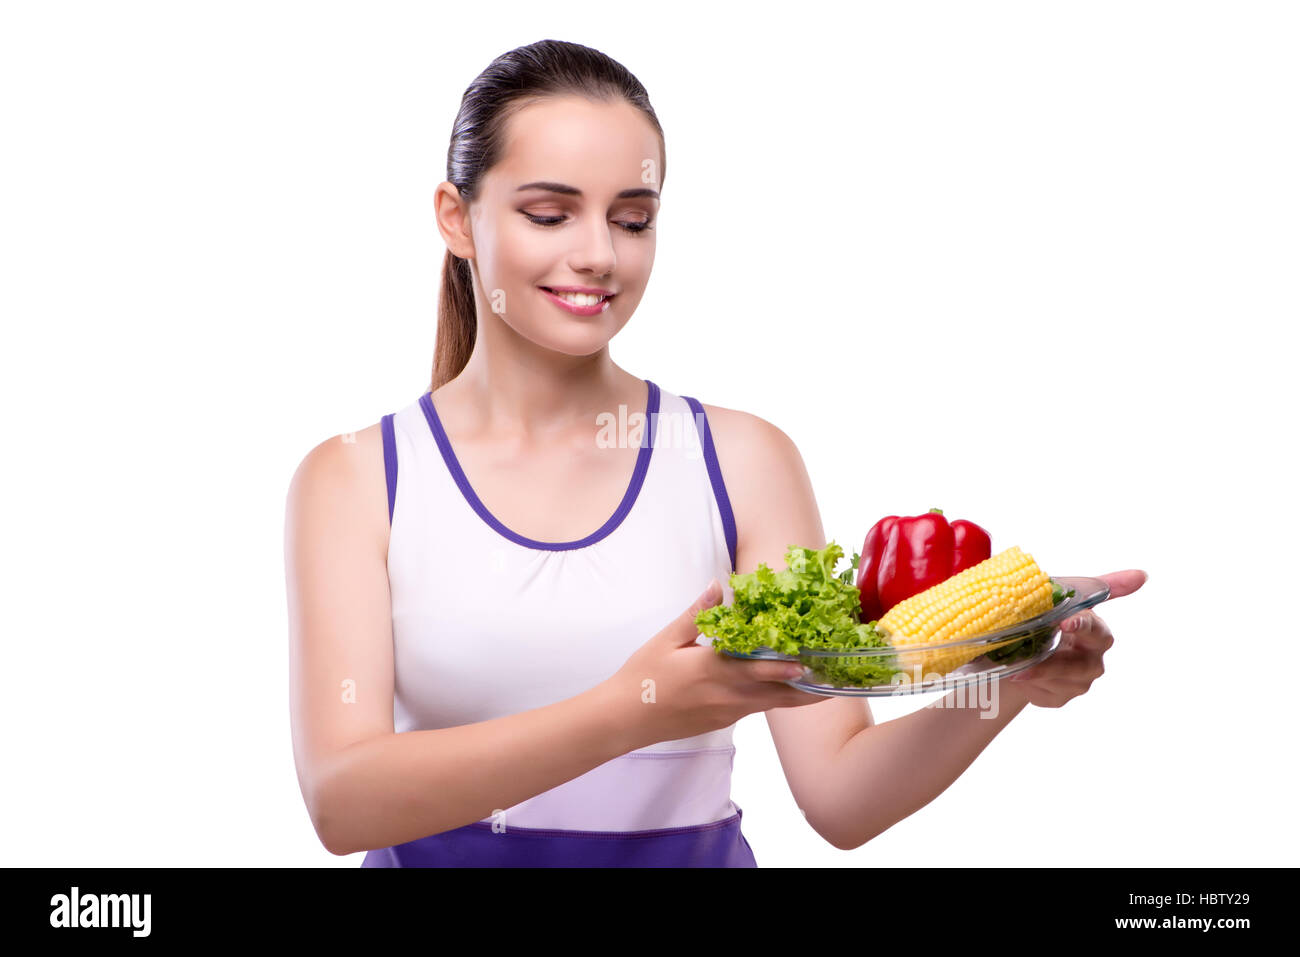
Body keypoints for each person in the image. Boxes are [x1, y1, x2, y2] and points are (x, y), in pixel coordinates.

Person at [283, 39, 1147, 867]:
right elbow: (342, 800)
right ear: (457, 218)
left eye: (632, 219)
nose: (598, 254)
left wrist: (1005, 681)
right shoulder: (358, 478)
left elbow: (841, 796)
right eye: (549, 214)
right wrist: (631, 709)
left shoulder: (740, 460)